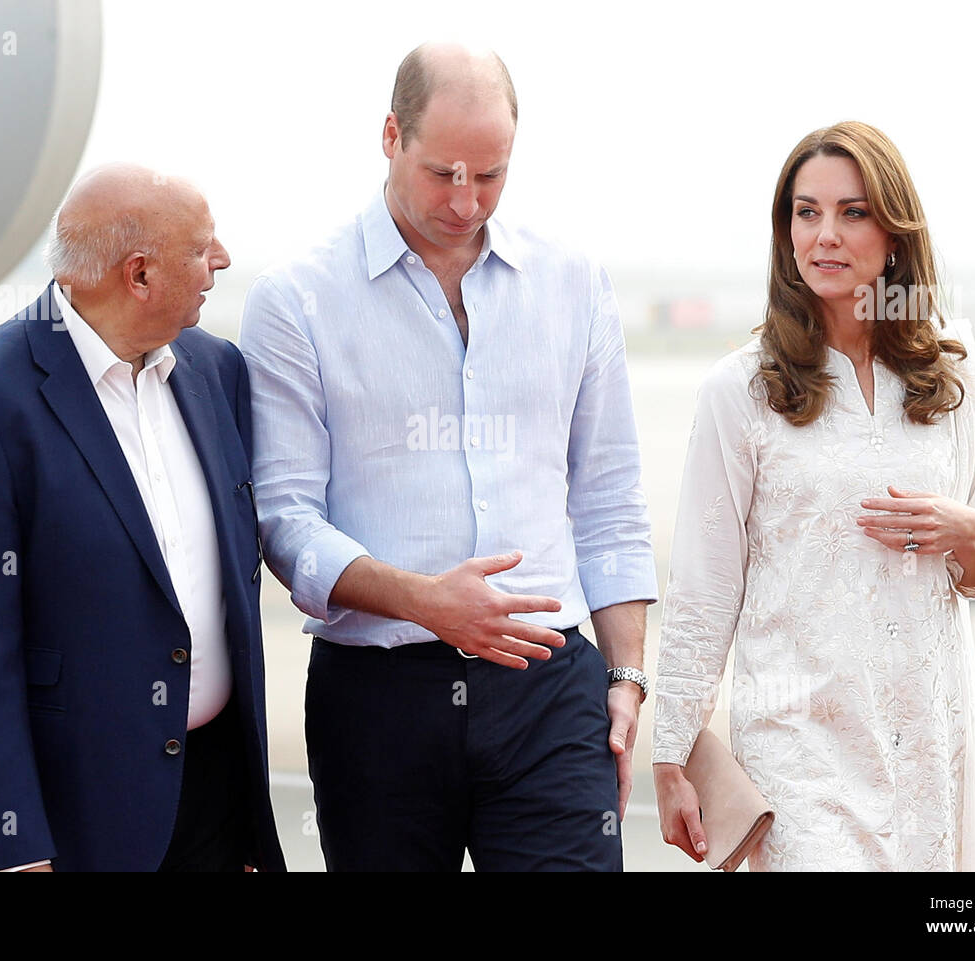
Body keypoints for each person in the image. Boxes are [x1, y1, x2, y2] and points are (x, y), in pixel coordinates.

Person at [239, 42, 657, 871]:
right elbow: (285, 521)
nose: (466, 201)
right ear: (390, 135)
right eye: (443, 173)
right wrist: (426, 600)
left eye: (490, 174)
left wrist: (626, 675)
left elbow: (609, 497)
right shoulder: (296, 301)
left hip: (551, 686)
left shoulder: (573, 282)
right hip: (379, 700)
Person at [651, 121, 975, 871]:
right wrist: (672, 751)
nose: (824, 235)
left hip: (929, 742)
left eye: (852, 212)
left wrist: (964, 530)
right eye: (806, 212)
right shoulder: (741, 389)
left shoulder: (954, 376)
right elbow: (703, 587)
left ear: (895, 234)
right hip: (796, 745)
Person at [0, 163, 285, 872]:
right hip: (71, 822)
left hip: (211, 810)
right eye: (202, 248)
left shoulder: (216, 371)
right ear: (139, 275)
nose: (222, 261)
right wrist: (12, 850)